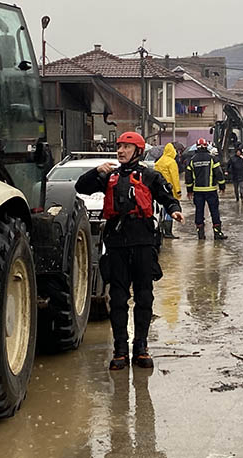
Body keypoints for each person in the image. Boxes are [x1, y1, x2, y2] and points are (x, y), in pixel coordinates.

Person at [75, 132, 183, 370]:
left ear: (138, 151)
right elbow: (80, 187)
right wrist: (96, 172)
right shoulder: (109, 176)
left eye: (126, 147)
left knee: (144, 297)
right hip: (116, 245)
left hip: (143, 244)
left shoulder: (150, 175)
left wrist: (174, 210)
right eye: (119, 147)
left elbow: (167, 197)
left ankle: (141, 348)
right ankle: (120, 350)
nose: (120, 151)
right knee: (118, 299)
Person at [185, 138, 228, 240]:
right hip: (211, 190)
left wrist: (189, 190)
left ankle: (200, 235)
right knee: (214, 212)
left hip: (198, 191)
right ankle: (217, 233)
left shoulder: (192, 160)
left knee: (199, 212)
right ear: (206, 146)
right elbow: (219, 173)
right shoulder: (212, 159)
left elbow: (188, 177)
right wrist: (222, 186)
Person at [154, 143, 182, 239]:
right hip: (169, 189)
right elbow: (175, 177)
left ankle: (162, 231)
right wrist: (178, 190)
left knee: (161, 211)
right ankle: (168, 232)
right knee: (169, 211)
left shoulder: (159, 162)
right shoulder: (171, 162)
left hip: (158, 190)